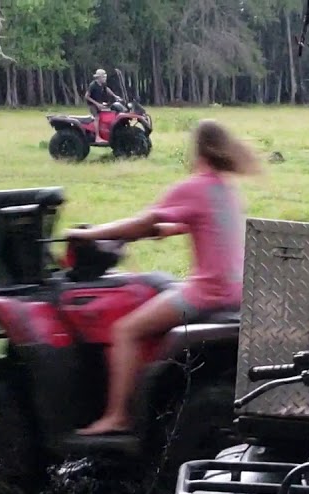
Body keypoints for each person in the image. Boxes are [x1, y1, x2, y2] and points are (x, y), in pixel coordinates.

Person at [66, 119, 260, 436]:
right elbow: (172, 225)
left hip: (209, 292)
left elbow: (146, 221)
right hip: (237, 290)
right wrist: (151, 232)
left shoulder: (195, 185)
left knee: (125, 329)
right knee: (162, 287)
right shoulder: (226, 189)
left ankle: (116, 416)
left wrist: (89, 234)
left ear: (198, 150)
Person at [85, 68, 122, 135]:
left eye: (105, 76)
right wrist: (97, 104)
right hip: (92, 105)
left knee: (109, 112)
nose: (105, 78)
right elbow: (87, 96)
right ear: (99, 77)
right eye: (104, 77)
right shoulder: (93, 85)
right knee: (97, 117)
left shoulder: (103, 84)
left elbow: (107, 89)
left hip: (99, 103)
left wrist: (115, 96)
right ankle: (97, 136)